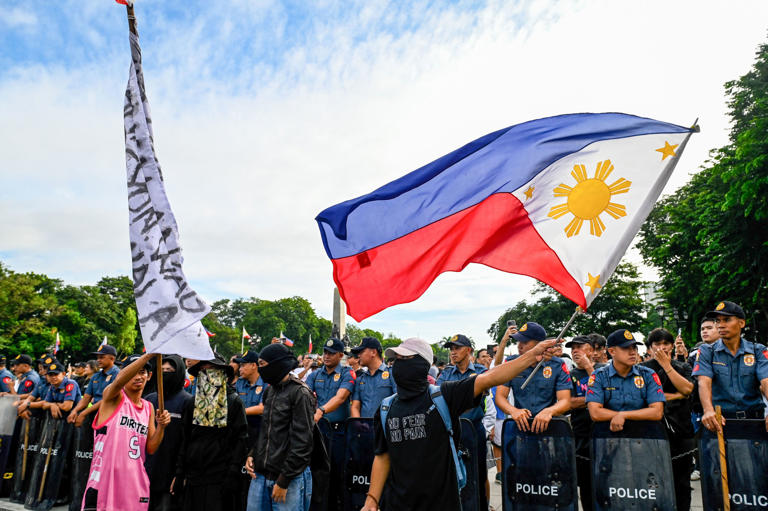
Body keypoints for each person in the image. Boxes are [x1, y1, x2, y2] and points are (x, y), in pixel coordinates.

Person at [361, 337, 557, 511]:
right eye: (396, 360)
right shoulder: (386, 408)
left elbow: (489, 378)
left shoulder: (444, 396)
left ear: (422, 364)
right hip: (397, 503)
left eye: (405, 359)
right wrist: (371, 499)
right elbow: (382, 455)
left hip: (442, 502)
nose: (398, 365)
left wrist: (532, 355)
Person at [82, 353, 170, 511]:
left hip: (134, 483)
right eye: (134, 372)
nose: (138, 376)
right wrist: (150, 354)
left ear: (149, 376)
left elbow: (151, 448)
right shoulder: (113, 397)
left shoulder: (148, 407)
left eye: (142, 372)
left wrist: (162, 427)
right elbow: (118, 382)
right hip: (105, 483)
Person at [174, 353, 249, 511]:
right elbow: (185, 438)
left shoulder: (234, 402)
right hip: (194, 476)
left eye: (213, 370)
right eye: (203, 370)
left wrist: (233, 473)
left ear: (222, 373)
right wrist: (180, 473)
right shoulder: (191, 403)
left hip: (220, 477)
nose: (208, 374)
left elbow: (241, 440)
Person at [245, 343, 314, 511]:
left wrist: (284, 480)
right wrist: (253, 454)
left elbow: (303, 442)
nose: (260, 369)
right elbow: (266, 429)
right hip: (260, 475)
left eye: (262, 364)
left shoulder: (300, 393)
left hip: (288, 479)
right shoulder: (270, 391)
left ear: (276, 364)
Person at [640, 328, 694, 511]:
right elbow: (644, 397)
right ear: (650, 348)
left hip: (681, 432)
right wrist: (675, 395)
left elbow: (687, 390)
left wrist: (667, 366)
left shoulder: (683, 366)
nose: (662, 348)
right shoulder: (643, 370)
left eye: (665, 344)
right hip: (653, 433)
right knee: (653, 482)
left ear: (672, 346)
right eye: (657, 344)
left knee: (682, 483)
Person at [693, 301, 768, 432]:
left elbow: (766, 381)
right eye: (717, 321)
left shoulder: (758, 351)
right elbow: (704, 382)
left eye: (727, 320)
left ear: (741, 323)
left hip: (754, 422)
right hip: (720, 423)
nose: (720, 325)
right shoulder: (707, 351)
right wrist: (708, 410)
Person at [437, 334, 490, 511]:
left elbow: (479, 395)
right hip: (451, 431)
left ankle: (483, 506)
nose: (453, 352)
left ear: (469, 351)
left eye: (457, 348)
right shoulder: (445, 373)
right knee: (451, 474)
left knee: (479, 474)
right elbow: (439, 398)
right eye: (451, 349)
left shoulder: (481, 372)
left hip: (473, 429)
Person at [305, 337, 355, 509]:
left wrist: (320, 411)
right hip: (318, 430)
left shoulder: (347, 373)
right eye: (325, 352)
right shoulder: (314, 374)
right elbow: (306, 395)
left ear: (340, 355)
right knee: (316, 471)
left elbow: (341, 398)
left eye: (331, 353)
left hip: (338, 431)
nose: (326, 356)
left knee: (337, 472)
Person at [495, 323, 571, 434]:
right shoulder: (511, 363)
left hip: (549, 427)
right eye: (518, 341)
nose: (519, 346)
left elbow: (565, 401)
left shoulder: (558, 365)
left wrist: (550, 411)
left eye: (524, 342)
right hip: (520, 427)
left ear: (540, 344)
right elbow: (500, 397)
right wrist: (513, 411)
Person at [586, 329, 665, 430]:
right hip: (608, 439)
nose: (632, 352)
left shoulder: (648, 375)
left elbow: (657, 412)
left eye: (634, 348)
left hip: (644, 438)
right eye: (626, 348)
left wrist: (622, 415)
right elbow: (595, 413)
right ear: (611, 351)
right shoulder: (599, 376)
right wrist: (622, 415)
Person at [145, 355, 194, 511]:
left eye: (170, 370)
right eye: (163, 370)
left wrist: (181, 474)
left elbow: (188, 440)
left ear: (179, 372)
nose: (166, 373)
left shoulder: (188, 402)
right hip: (147, 469)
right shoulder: (149, 400)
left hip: (170, 472)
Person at [566, 335, 604, 511]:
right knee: (586, 486)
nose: (575, 351)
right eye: (572, 348)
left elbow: (608, 398)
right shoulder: (570, 375)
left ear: (591, 350)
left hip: (603, 433)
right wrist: (593, 399)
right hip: (581, 435)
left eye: (579, 347)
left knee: (605, 482)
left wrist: (589, 368)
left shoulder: (603, 370)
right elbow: (568, 402)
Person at [67, 344, 120, 427]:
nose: (98, 360)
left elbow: (108, 400)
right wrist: (75, 410)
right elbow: (86, 398)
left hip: (110, 416)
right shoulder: (96, 376)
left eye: (102, 357)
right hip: (94, 414)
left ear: (112, 358)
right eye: (97, 357)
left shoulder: (118, 375)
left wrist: (84, 413)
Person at [350, 337, 396, 418]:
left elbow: (398, 401)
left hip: (385, 428)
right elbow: (355, 407)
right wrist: (359, 425)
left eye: (362, 351)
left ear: (373, 352)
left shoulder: (392, 374)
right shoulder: (360, 379)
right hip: (364, 427)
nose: (358, 355)